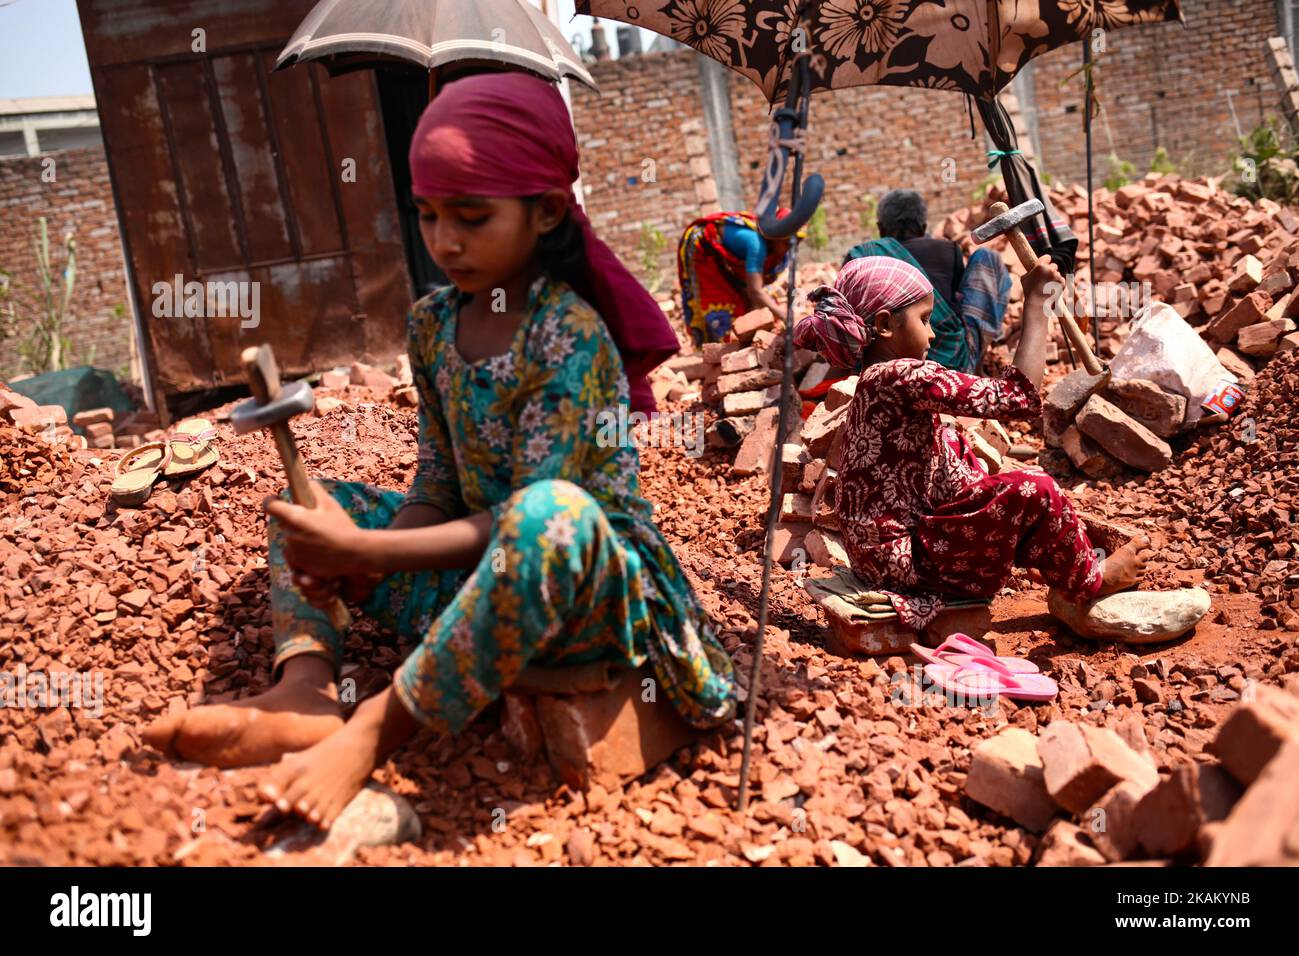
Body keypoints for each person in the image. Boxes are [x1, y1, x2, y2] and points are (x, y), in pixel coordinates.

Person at [143, 73, 735, 829]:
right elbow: (439, 480)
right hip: (474, 573)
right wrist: (361, 548)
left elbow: (533, 513)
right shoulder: (431, 327)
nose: (444, 240)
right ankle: (307, 690)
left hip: (585, 591)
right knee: (312, 503)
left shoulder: (569, 336)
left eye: (471, 217)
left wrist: (378, 555)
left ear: (546, 210)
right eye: (427, 216)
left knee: (552, 513)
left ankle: (373, 729)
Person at [792, 255, 1149, 631]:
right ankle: (1088, 580)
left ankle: (1057, 557)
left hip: (884, 560)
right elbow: (1018, 396)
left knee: (958, 450)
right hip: (909, 563)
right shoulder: (900, 374)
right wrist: (1036, 305)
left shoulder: (874, 381)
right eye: (924, 319)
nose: (931, 335)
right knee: (1034, 487)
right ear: (884, 324)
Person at [844, 189, 1011, 374]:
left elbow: (846, 318)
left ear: (880, 228)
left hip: (875, 363)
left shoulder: (862, 257)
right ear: (923, 227)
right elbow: (957, 303)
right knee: (988, 257)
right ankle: (976, 361)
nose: (930, 334)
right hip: (954, 362)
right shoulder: (948, 249)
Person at [677, 210, 794, 345]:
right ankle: (719, 346)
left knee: (744, 297)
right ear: (776, 237)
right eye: (787, 243)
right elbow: (755, 291)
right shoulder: (756, 246)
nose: (790, 249)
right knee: (721, 300)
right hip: (702, 246)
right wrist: (784, 315)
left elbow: (754, 291)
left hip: (721, 249)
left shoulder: (769, 246)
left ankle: (740, 339)